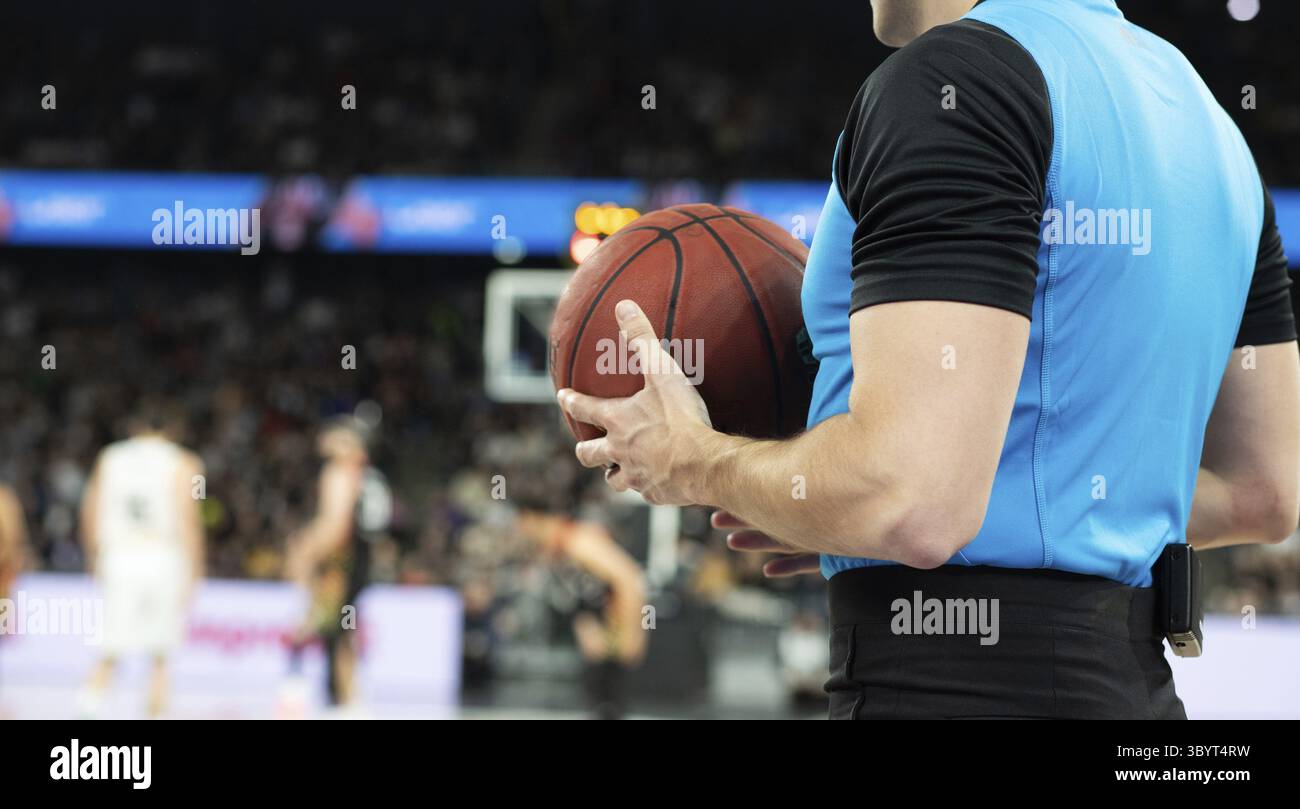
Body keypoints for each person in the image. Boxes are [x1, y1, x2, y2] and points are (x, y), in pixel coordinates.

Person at [557, 0, 1299, 718]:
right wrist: (843, 504)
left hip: (952, 684)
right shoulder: (1214, 130)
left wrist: (694, 459)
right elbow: (1263, 491)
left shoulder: (956, 81)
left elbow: (916, 503)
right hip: (1136, 688)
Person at [78, 406, 205, 719]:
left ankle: (88, 707)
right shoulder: (184, 461)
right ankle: (154, 712)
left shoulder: (110, 457)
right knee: (161, 650)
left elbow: (90, 510)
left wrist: (93, 555)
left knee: (112, 643)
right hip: (162, 554)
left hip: (118, 553)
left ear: (136, 427)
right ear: (173, 430)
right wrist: (197, 566)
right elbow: (188, 516)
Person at [284, 416, 392, 712]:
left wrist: (305, 550)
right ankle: (350, 701)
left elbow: (335, 526)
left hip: (339, 564)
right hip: (359, 559)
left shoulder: (339, 472)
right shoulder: (367, 474)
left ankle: (335, 701)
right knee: (342, 631)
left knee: (326, 629)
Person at [516, 508, 647, 719]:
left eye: (524, 524)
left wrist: (632, 629)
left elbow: (628, 578)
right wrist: (585, 621)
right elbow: (579, 593)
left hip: (616, 620)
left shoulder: (578, 541)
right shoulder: (558, 548)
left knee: (610, 690)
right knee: (598, 690)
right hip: (599, 621)